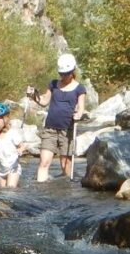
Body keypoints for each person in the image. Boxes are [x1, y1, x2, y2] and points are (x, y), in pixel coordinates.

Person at [26, 53, 86, 182]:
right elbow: (43, 101)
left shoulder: (80, 89)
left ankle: (65, 192)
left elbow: (81, 108)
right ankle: (41, 190)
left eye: (66, 74)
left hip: (67, 131)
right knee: (44, 162)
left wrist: (78, 114)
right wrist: (33, 96)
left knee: (66, 165)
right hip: (50, 130)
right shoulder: (53, 84)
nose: (63, 76)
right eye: (61, 74)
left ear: (73, 71)